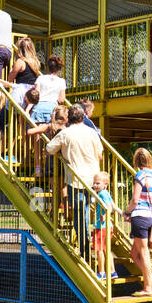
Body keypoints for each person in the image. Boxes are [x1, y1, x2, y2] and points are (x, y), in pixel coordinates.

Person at [46, 105, 105, 246]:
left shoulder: (65, 133)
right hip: (94, 179)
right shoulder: (92, 133)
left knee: (80, 213)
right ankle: (93, 243)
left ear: (68, 119)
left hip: (75, 179)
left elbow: (49, 149)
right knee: (89, 210)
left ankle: (84, 244)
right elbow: (100, 155)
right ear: (82, 117)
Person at [125, 147, 152, 297]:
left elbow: (135, 199)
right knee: (134, 253)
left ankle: (148, 287)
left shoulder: (140, 175)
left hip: (139, 216)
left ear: (136, 160)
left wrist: (126, 212)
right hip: (151, 217)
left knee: (143, 253)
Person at [91, 172, 117, 280]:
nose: (95, 185)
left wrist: (105, 215)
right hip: (107, 226)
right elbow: (113, 205)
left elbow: (109, 207)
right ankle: (112, 272)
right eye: (94, 183)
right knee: (107, 249)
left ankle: (101, 272)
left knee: (99, 250)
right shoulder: (106, 193)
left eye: (98, 183)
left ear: (105, 184)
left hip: (101, 226)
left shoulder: (102, 194)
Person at [32, 55, 67, 124]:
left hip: (39, 106)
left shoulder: (40, 78)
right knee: (50, 131)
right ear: (59, 69)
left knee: (37, 131)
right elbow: (61, 99)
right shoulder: (61, 81)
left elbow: (36, 94)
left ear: (48, 68)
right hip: (52, 107)